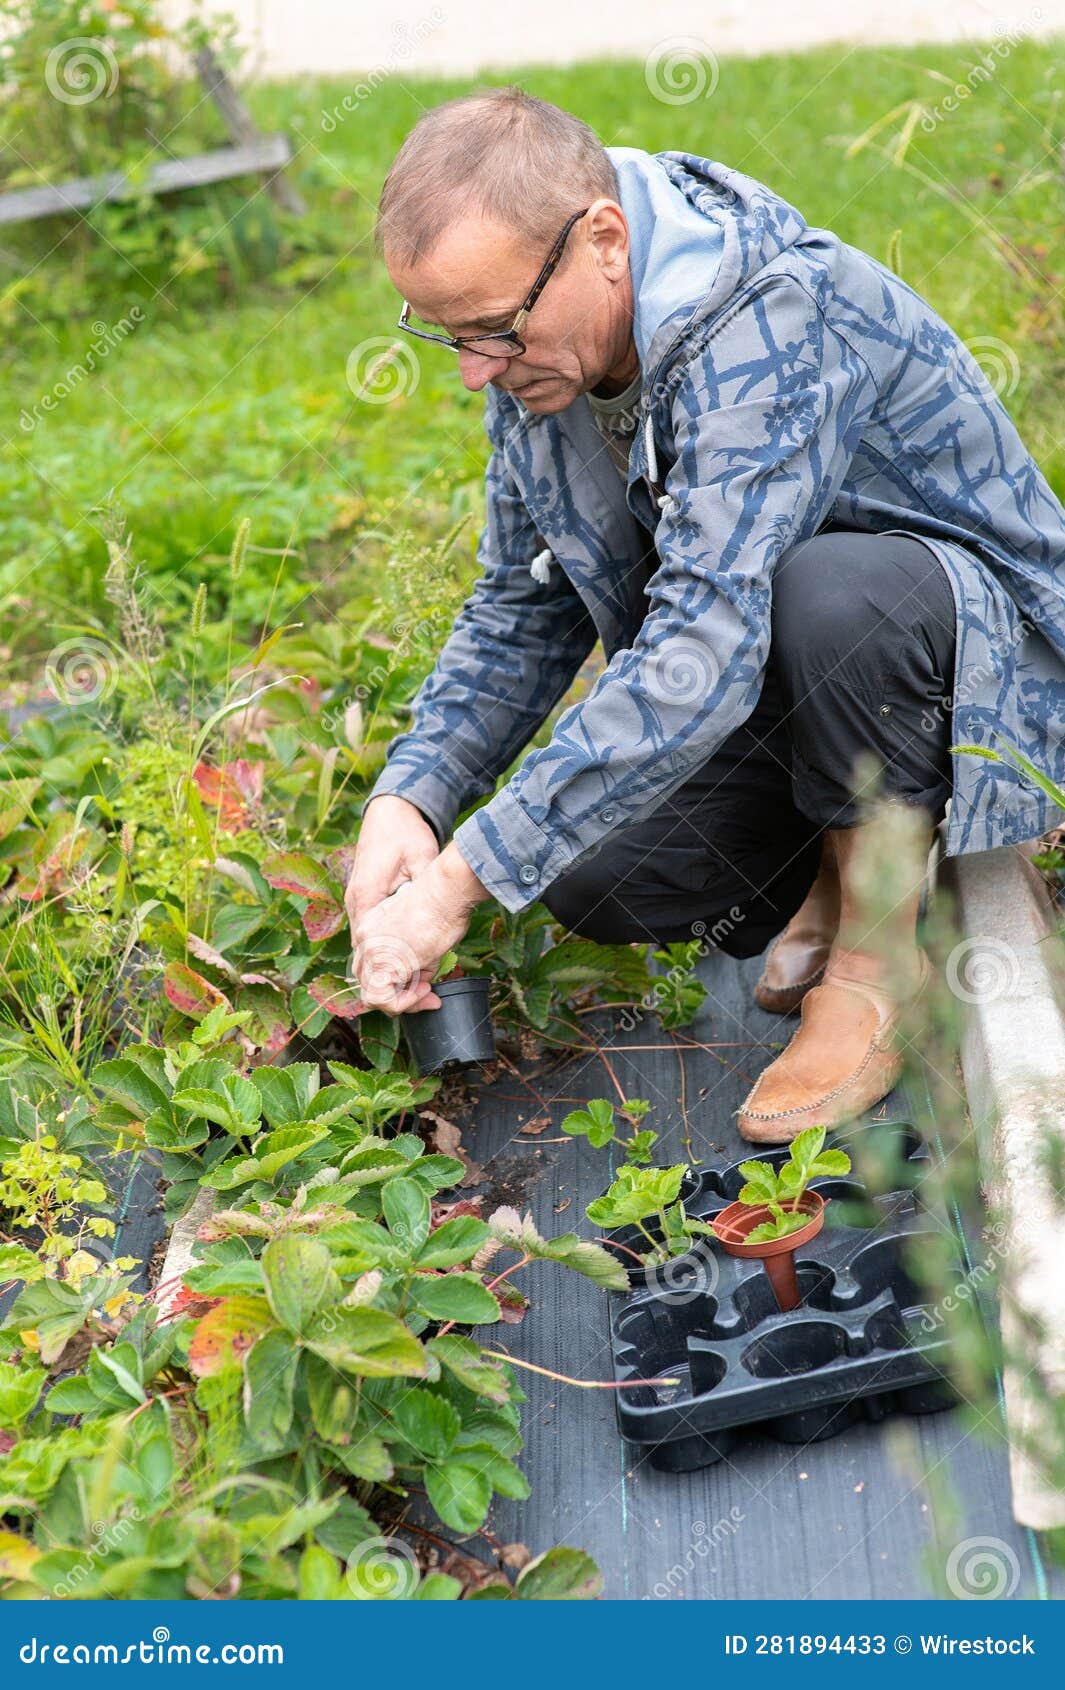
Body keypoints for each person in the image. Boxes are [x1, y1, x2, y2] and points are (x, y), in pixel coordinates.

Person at [346, 87, 1065, 1144]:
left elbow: (703, 647)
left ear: (602, 238)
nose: (474, 374)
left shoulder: (768, 317)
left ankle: (874, 972)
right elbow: (522, 602)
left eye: (493, 332)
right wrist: (415, 798)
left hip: (976, 663)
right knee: (600, 877)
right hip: (785, 670)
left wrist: (458, 884)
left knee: (824, 591)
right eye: (449, 337)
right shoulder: (544, 352)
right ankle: (844, 847)